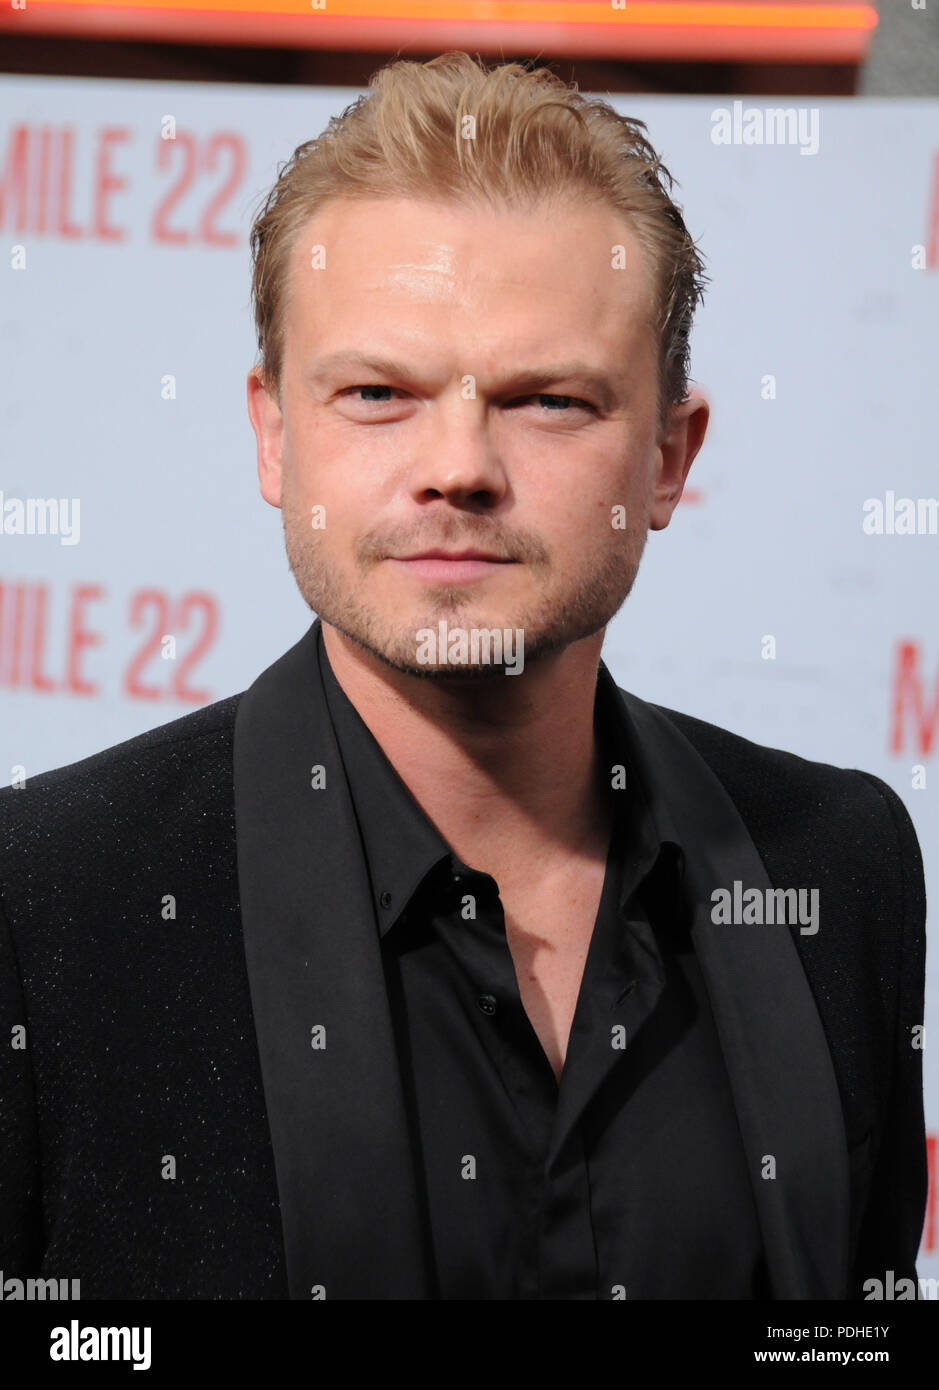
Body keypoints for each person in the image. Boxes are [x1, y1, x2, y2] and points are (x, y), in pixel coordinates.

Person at [0, 52, 926, 1301]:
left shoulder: (834, 859)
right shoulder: (49, 901)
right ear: (276, 432)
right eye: (379, 392)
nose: (459, 467)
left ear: (668, 456)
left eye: (549, 401)